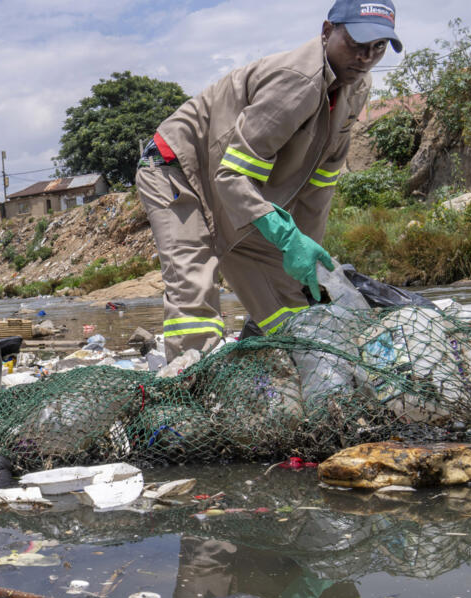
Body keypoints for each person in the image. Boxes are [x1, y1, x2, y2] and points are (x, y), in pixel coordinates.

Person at [136, 0, 402, 362]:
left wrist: (305, 251)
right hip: (177, 166)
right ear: (327, 32)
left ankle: (291, 364)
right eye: (356, 43)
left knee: (285, 291)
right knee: (193, 276)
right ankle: (192, 380)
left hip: (233, 183)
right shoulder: (297, 81)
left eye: (378, 47)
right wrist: (287, 236)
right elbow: (232, 174)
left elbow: (321, 183)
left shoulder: (356, 87)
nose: (365, 57)